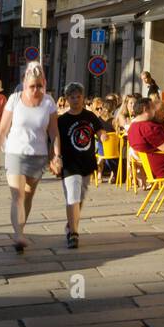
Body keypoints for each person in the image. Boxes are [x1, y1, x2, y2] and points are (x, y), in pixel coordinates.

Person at [0, 63, 62, 253]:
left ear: (44, 83)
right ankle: (19, 233)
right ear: (24, 84)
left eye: (39, 85)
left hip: (38, 156)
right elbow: (2, 130)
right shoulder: (14, 100)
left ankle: (21, 228)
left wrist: (57, 156)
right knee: (18, 196)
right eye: (32, 86)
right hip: (15, 153)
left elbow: (54, 133)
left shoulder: (49, 102)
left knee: (28, 195)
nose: (36, 89)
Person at [58, 82, 105, 248]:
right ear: (67, 99)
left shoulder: (90, 116)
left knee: (79, 197)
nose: (76, 100)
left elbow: (100, 131)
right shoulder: (62, 120)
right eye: (72, 97)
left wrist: (103, 136)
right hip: (69, 163)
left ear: (83, 98)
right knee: (73, 195)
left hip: (86, 162)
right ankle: (73, 233)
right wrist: (54, 158)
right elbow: (55, 141)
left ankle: (71, 224)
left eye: (78, 96)